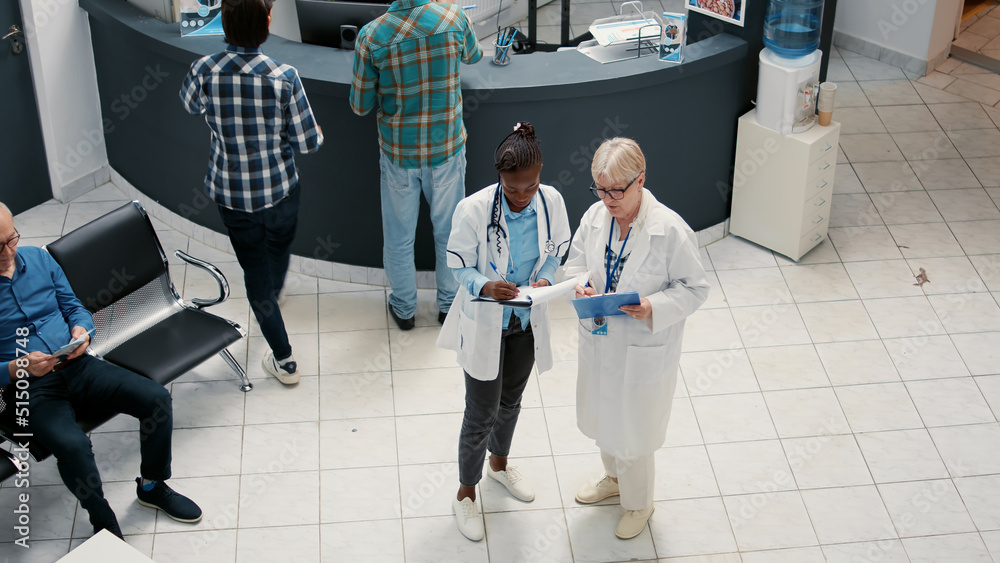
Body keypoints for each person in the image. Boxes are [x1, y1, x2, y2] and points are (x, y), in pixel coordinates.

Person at [0, 202, 201, 539]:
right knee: (73, 446)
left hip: (76, 363)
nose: (8, 251)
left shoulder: (38, 259)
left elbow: (74, 307)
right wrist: (17, 366)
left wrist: (82, 331)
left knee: (155, 399)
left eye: (11, 239)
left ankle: (152, 486)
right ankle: (102, 518)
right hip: (26, 389)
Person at [563, 138, 710, 540]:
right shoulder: (595, 217)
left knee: (635, 431)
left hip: (643, 347)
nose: (606, 198)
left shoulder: (670, 230)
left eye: (615, 190)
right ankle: (613, 480)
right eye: (599, 188)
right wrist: (580, 285)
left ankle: (639, 502)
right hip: (601, 338)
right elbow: (574, 265)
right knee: (604, 417)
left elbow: (695, 289)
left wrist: (653, 306)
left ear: (640, 181)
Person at [437, 122, 571, 541]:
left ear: (540, 173)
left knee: (511, 401)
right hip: (486, 322)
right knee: (480, 413)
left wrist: (546, 279)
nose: (521, 196)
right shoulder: (473, 210)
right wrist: (485, 286)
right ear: (499, 177)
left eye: (529, 186)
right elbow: (459, 264)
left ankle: (498, 466)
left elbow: (558, 250)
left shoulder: (551, 202)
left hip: (526, 322)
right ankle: (465, 494)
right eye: (512, 188)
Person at [180, 0, 324, 385]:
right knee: (273, 258)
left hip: (232, 195)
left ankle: (268, 306)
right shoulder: (285, 76)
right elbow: (309, 142)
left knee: (256, 268)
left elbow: (190, 105)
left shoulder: (203, 69)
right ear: (268, 22)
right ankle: (285, 358)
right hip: (280, 191)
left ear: (223, 23)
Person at [349, 0, 483, 330]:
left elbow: (360, 106)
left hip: (399, 154)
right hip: (447, 149)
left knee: (398, 238)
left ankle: (405, 309)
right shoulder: (454, 16)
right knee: (450, 234)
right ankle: (449, 305)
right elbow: (474, 56)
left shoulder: (372, 35)